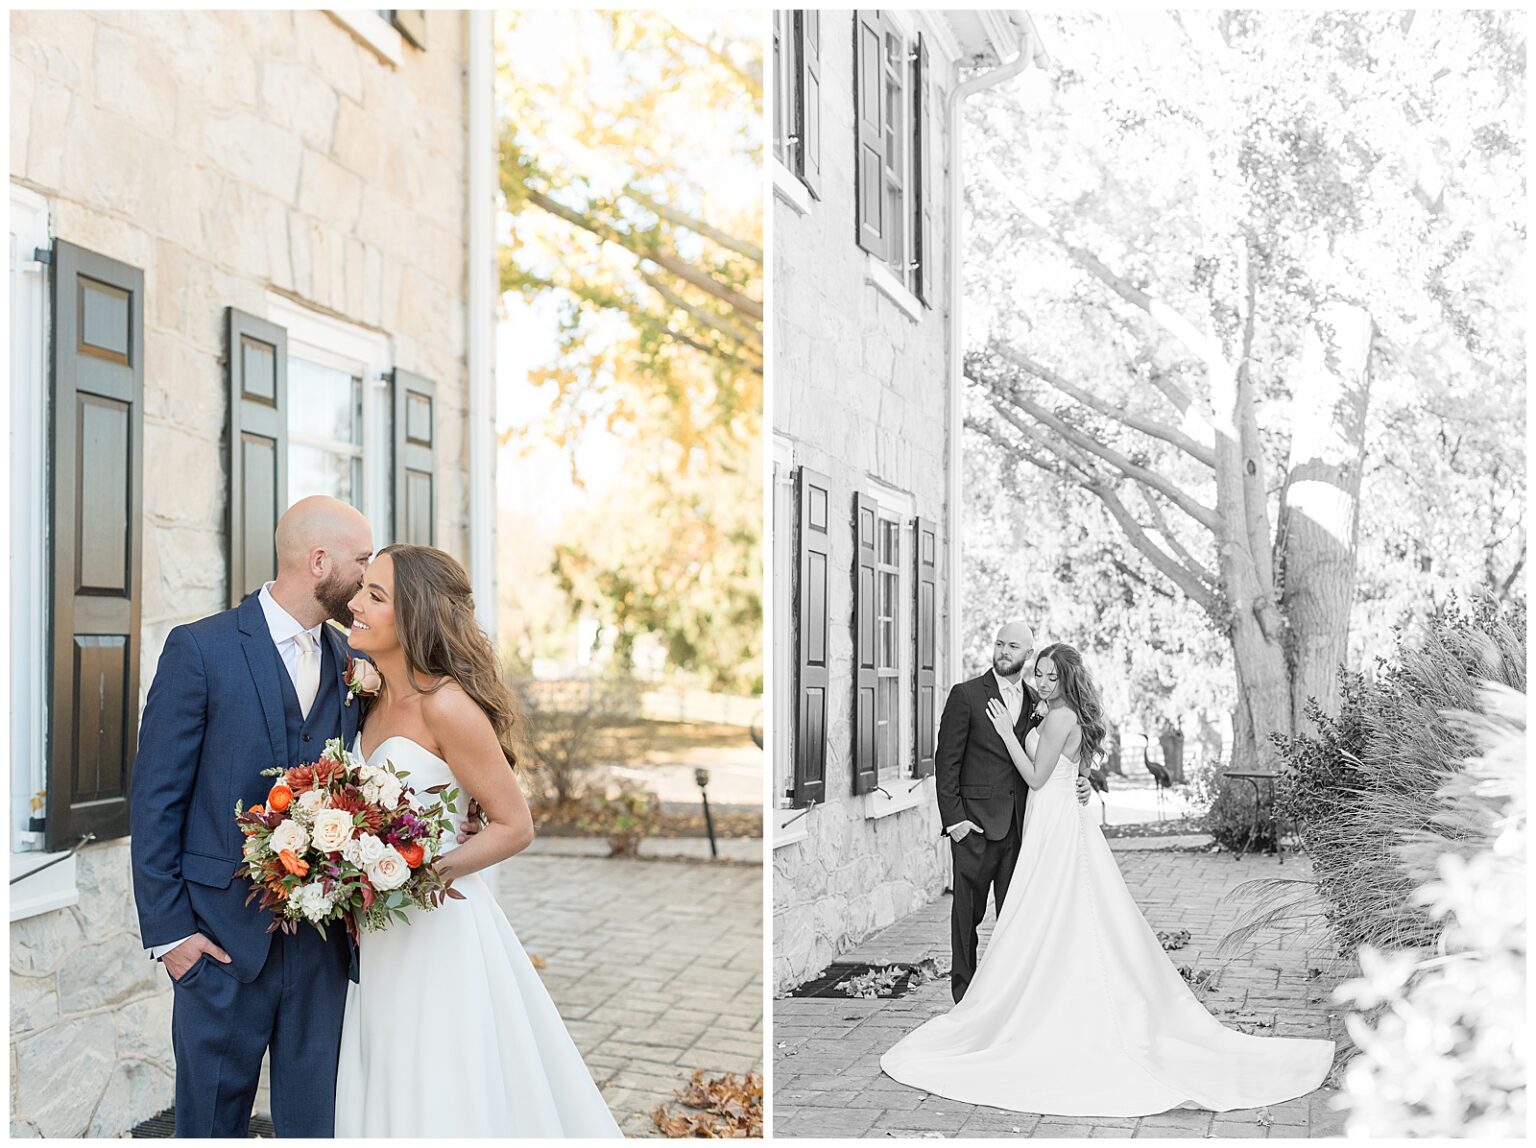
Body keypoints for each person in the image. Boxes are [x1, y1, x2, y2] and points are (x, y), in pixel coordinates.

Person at [882, 644, 1334, 1116]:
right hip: (1055, 817)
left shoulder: (1059, 717)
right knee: (1058, 909)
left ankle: (1057, 1004)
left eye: (1053, 676)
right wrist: (1078, 772)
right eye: (1040, 674)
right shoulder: (1060, 711)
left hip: (1054, 819)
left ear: (1069, 677)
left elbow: (1037, 777)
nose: (1045, 683)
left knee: (1055, 906)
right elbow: (1074, 765)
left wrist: (1006, 733)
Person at [333, 544, 622, 1137]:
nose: (354, 602)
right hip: (378, 937)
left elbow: (516, 825)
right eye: (361, 588)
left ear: (413, 615)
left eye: (374, 595)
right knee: (386, 1072)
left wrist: (417, 876)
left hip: (437, 930)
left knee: (440, 1082)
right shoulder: (368, 695)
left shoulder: (448, 706)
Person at [130, 497, 374, 1137]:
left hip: (321, 949)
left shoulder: (354, 663)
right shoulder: (200, 650)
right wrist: (172, 937)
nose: (368, 577)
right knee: (210, 1122)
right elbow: (156, 800)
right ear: (319, 561)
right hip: (218, 943)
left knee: (314, 1123)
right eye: (362, 562)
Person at [934, 621, 1089, 1002]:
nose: (1004, 651)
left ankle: (1011, 1000)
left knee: (1018, 920)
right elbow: (946, 762)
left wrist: (1081, 779)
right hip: (975, 829)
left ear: (1027, 653)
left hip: (1024, 830)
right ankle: (964, 1001)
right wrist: (955, 822)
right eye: (1000, 643)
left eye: (1014, 646)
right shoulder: (967, 695)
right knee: (966, 920)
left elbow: (1061, 750)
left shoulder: (1043, 699)